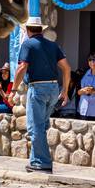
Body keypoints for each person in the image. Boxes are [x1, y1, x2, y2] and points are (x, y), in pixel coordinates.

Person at [12, 13, 71, 173]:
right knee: (41, 126)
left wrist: (13, 90)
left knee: (34, 127)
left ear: (28, 30)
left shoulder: (28, 44)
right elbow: (66, 68)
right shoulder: (53, 45)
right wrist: (65, 91)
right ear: (41, 30)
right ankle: (34, 160)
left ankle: (42, 163)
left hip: (38, 88)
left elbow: (22, 67)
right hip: (53, 89)